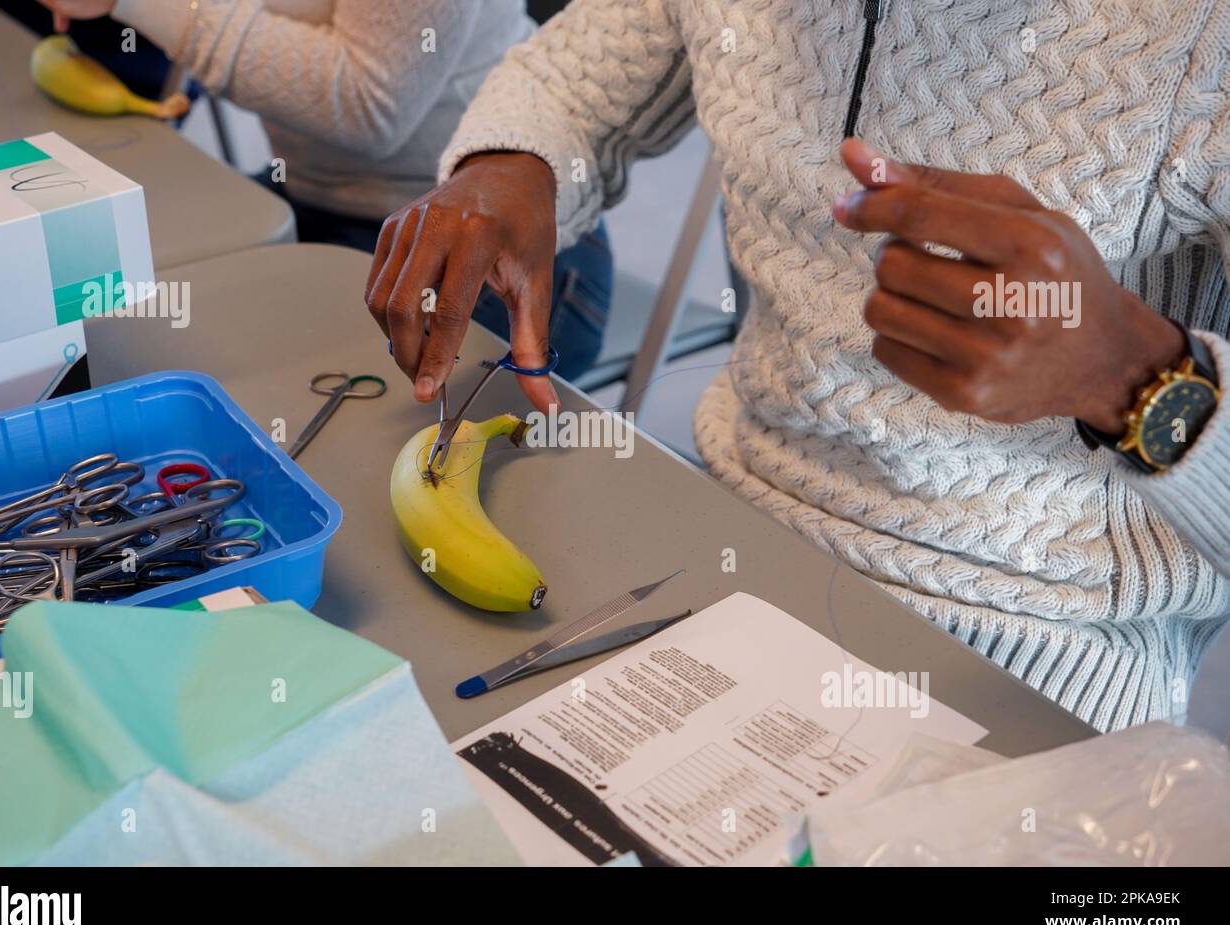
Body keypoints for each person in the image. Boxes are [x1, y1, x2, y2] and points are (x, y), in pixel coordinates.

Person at [367, 0, 1230, 732]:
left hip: (1040, 651)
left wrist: (1135, 379)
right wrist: (511, 167)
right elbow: (568, 77)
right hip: (724, 538)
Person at [33, 0, 613, 380]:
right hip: (311, 200)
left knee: (270, 411)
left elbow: (370, 106)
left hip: (497, 259)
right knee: (113, 332)